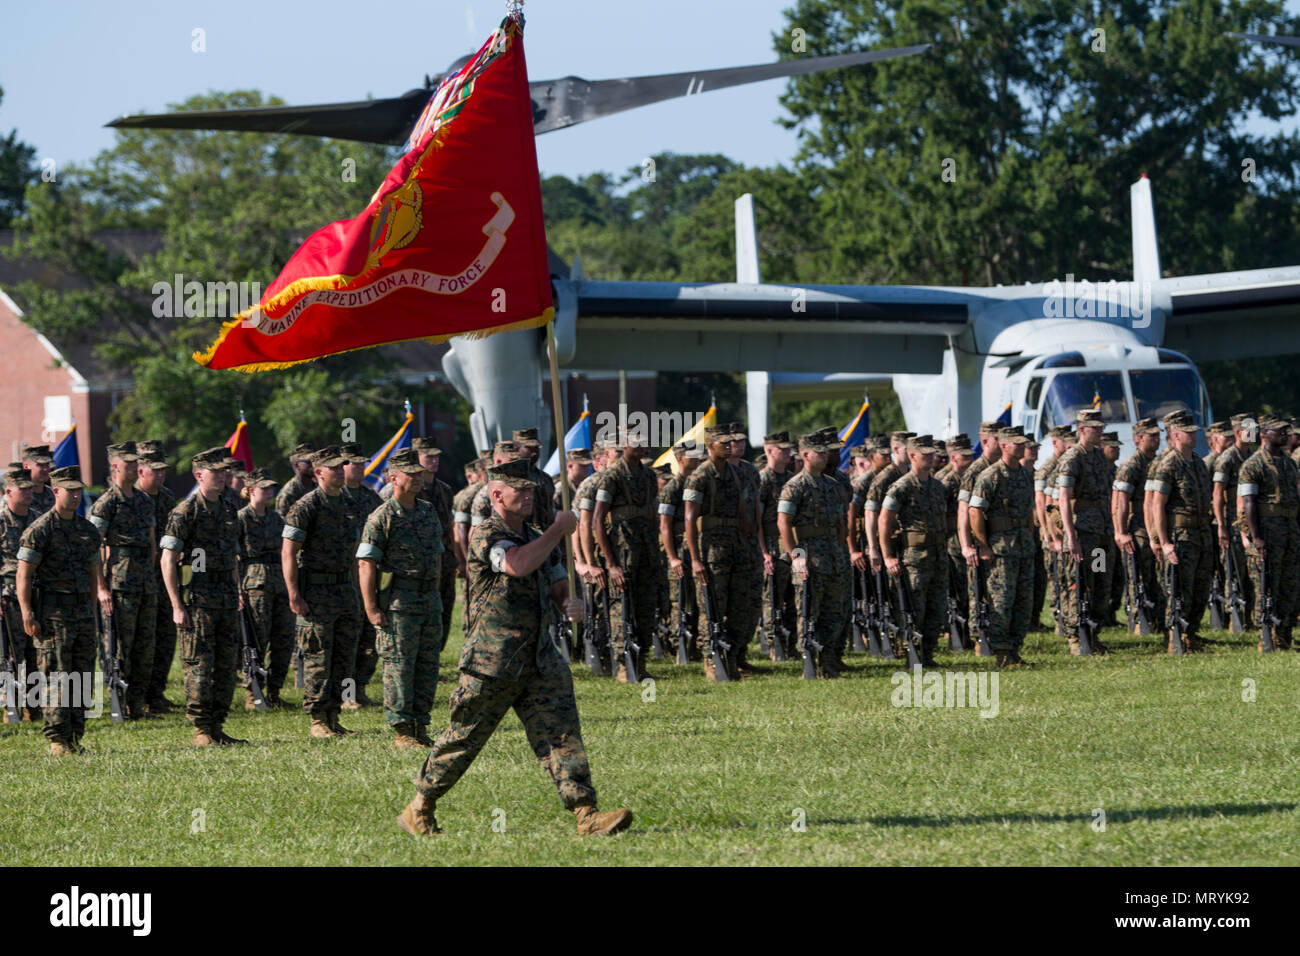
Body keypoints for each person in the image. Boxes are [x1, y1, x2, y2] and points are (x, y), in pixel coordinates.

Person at [396, 458, 632, 838]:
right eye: (518, 490)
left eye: (530, 489)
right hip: (494, 661)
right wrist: (558, 530)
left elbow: (555, 582)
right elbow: (516, 565)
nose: (527, 495)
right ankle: (420, 805)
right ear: (496, 495)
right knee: (464, 736)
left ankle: (586, 813)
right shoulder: (486, 535)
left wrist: (569, 602)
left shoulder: (536, 535)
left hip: (539, 656)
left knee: (562, 732)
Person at [15, 466, 110, 755]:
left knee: (82, 676)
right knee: (57, 676)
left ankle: (74, 737)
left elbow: (95, 572)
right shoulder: (40, 530)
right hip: (53, 614)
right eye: (71, 490)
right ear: (56, 491)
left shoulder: (87, 530)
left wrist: (93, 609)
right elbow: (24, 576)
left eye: (79, 489)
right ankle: (58, 741)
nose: (76, 495)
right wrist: (27, 612)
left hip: (82, 613)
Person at [357, 448, 444, 749]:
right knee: (399, 665)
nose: (418, 478)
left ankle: (421, 725)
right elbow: (366, 563)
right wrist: (371, 608)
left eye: (420, 473)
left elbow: (438, 557)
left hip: (428, 599)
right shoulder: (382, 516)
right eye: (412, 474)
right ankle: (402, 730)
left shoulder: (427, 511)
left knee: (427, 664)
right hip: (399, 602)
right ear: (393, 478)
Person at [160, 449, 247, 747]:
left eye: (225, 471)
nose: (223, 475)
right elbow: (167, 559)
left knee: (225, 666)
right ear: (199, 475)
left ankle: (217, 726)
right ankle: (201, 730)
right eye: (216, 471)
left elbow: (232, 554)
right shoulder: (186, 511)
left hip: (224, 595)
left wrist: (237, 589)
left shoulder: (228, 506)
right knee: (199, 665)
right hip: (197, 599)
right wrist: (176, 605)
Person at [282, 445, 362, 738]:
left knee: (343, 656)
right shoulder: (306, 507)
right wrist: (294, 594)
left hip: (344, 590)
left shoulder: (349, 504)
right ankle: (318, 720)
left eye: (343, 467)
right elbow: (289, 552)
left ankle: (333, 716)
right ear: (318, 473)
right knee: (318, 658)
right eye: (335, 468)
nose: (341, 472)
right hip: (315, 591)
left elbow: (354, 553)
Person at [684, 425, 761, 680]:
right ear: (710, 445)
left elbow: (743, 511)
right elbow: (690, 519)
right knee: (712, 605)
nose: (730, 446)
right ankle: (710, 659)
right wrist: (695, 559)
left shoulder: (737, 474)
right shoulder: (700, 476)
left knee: (739, 603)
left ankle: (734, 658)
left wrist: (748, 543)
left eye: (731, 443)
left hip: (736, 546)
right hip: (712, 548)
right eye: (724, 443)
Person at [88, 441, 159, 721]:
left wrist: (152, 571)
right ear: (115, 466)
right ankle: (119, 701)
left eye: (136, 462)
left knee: (145, 644)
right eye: (129, 463)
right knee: (120, 646)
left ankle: (138, 705)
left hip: (145, 581)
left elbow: (152, 541)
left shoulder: (143, 500)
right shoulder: (107, 503)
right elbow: (94, 546)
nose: (135, 467)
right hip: (120, 582)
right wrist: (102, 587)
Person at [778, 431, 849, 674]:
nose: (825, 455)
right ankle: (809, 657)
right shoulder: (794, 486)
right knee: (808, 611)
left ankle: (828, 659)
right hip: (809, 554)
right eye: (820, 452)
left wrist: (840, 549)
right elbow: (783, 523)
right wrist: (795, 556)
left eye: (826, 451)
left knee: (833, 610)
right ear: (806, 455)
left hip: (832, 554)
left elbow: (840, 522)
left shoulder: (832, 484)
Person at [593, 429, 659, 681]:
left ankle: (640, 662)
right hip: (621, 551)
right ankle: (623, 663)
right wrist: (611, 564)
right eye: (636, 443)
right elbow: (598, 520)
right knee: (621, 607)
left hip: (646, 551)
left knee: (645, 606)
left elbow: (653, 514)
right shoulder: (612, 475)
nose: (641, 447)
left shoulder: (649, 475)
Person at [1148, 410, 1214, 653]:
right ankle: (1174, 636)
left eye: (1194, 432)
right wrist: (1163, 542)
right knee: (1179, 589)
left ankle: (1191, 634)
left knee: (1200, 587)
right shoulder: (1169, 464)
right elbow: (1157, 505)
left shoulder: (1198, 462)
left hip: (1202, 533)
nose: (1193, 437)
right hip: (1181, 534)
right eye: (1188, 433)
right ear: (1175, 434)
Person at [879, 435, 948, 666]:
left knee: (936, 608)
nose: (930, 457)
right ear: (912, 456)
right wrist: (887, 556)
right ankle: (912, 653)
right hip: (915, 557)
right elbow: (884, 519)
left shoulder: (937, 486)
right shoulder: (902, 486)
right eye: (925, 453)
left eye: (931, 453)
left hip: (938, 555)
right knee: (913, 608)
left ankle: (928, 654)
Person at [968, 428, 1035, 666]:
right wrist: (983, 545)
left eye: (1023, 444)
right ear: (1004, 446)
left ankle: (1015, 648)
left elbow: (1029, 510)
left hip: (1023, 546)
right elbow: (975, 511)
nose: (1021, 447)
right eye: (1016, 444)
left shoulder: (1026, 475)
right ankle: (1001, 652)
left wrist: (1029, 534)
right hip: (1001, 549)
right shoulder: (991, 475)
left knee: (1023, 600)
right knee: (1001, 600)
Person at [1237, 415, 1300, 651]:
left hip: (1289, 532)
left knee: (1289, 585)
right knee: (1266, 586)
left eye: (1286, 431)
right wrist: (1256, 537)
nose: (1285, 434)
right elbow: (1248, 504)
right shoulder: (1253, 465)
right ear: (1264, 434)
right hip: (1268, 533)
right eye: (1279, 431)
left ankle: (1284, 635)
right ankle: (1266, 636)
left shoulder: (1289, 463)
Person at [237, 468, 294, 708]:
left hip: (279, 581)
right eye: (264, 488)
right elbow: (233, 555)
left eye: (272, 488)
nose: (270, 492)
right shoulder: (241, 519)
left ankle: (274, 692)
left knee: (283, 639)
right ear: (251, 491)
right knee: (256, 640)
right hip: (254, 584)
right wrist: (237, 589)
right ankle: (254, 693)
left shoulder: (276, 519)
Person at [1056, 411, 1111, 655]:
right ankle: (1075, 637)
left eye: (1101, 428)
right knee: (1078, 583)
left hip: (1100, 533)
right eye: (1094, 428)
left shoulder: (1099, 456)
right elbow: (1064, 501)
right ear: (1081, 429)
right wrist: (1071, 536)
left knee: (1098, 580)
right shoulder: (1072, 458)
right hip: (1082, 532)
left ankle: (1093, 633)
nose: (1099, 432)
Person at [136, 441, 180, 715]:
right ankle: (136, 697)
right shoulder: (128, 498)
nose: (161, 475)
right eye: (155, 470)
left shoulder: (166, 498)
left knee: (165, 636)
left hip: (164, 577)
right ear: (141, 470)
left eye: (163, 470)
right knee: (142, 640)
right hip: (135, 580)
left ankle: (157, 693)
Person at [340, 443, 384, 709]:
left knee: (369, 637)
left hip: (367, 576)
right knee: (347, 637)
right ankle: (346, 693)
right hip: (342, 579)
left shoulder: (371, 498)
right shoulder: (334, 497)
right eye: (352, 463)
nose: (359, 467)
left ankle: (360, 688)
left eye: (361, 462)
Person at [1112, 418, 1163, 634]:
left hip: (1154, 524)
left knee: (1156, 573)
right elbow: (1121, 501)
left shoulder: (1159, 462)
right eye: (1151, 435)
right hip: (1139, 527)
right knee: (1138, 574)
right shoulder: (1131, 465)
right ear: (1138, 439)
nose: (1156, 439)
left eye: (1158, 435)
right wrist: (1121, 532)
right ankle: (1138, 617)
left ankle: (1156, 616)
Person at [1, 468, 37, 722]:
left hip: (36, 595)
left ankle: (33, 707)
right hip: (8, 597)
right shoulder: (1, 522)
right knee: (11, 655)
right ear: (8, 492)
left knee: (35, 654)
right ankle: (10, 707)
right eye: (21, 489)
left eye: (29, 488)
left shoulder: (37, 520)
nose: (27, 492)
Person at [759, 431, 798, 660]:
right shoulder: (763, 480)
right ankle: (774, 646)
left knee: (793, 599)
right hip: (773, 546)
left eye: (788, 449)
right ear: (769, 451)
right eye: (781, 449)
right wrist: (764, 552)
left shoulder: (792, 479)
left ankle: (793, 644)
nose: (786, 453)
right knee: (772, 599)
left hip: (791, 546)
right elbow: (757, 521)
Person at [275, 443, 316, 516]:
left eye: (314, 460)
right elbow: (283, 525)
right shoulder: (287, 495)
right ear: (297, 465)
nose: (313, 464)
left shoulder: (317, 486)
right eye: (309, 462)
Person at [21, 445, 55, 515]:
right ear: (26, 467)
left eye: (47, 464)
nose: (46, 469)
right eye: (40, 465)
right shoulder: (17, 496)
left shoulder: (53, 494)